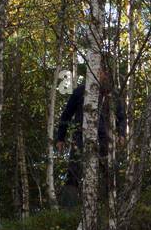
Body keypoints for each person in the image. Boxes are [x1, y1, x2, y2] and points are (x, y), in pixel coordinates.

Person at [54, 55, 125, 207]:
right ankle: (69, 211)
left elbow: (121, 116)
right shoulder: (80, 91)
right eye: (96, 70)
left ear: (106, 73)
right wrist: (60, 138)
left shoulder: (110, 94)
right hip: (80, 137)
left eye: (102, 71)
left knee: (108, 173)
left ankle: (111, 208)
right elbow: (66, 115)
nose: (99, 74)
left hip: (104, 138)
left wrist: (122, 134)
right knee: (73, 173)